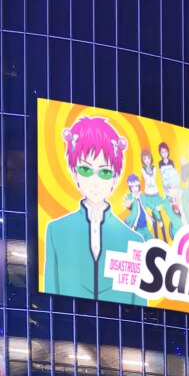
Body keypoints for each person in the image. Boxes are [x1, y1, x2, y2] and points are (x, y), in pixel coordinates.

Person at [41, 114, 145, 304]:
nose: (95, 181)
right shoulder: (56, 231)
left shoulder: (134, 242)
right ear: (74, 173)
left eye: (105, 172)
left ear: (115, 177)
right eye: (85, 170)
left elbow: (139, 303)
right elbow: (50, 294)